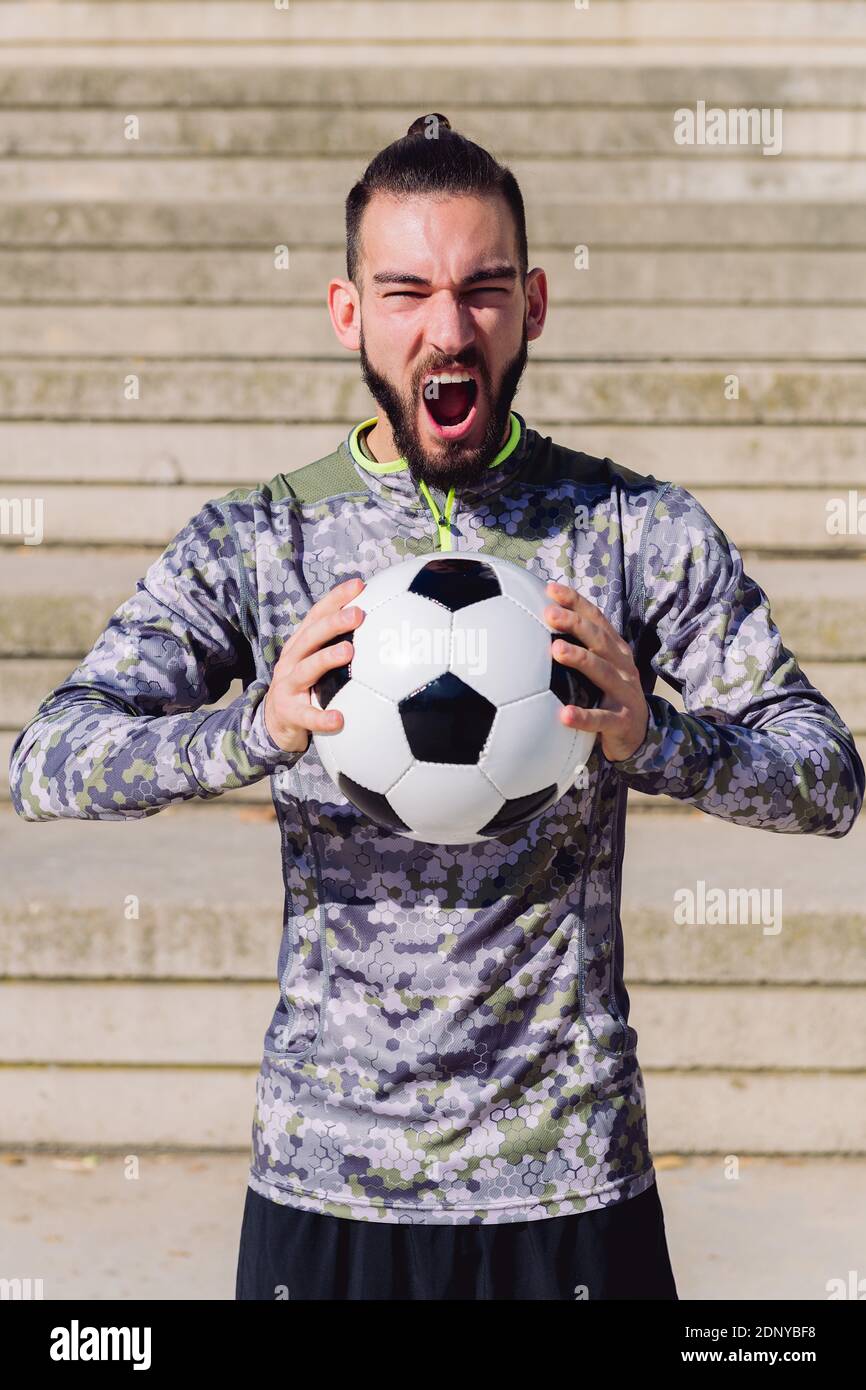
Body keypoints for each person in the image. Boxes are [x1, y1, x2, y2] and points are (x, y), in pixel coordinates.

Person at [9, 114, 863, 1302]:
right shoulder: (264, 539)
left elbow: (825, 778)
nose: (448, 327)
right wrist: (253, 729)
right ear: (347, 311)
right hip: (329, 1178)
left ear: (534, 305)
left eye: (483, 289)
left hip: (567, 1180)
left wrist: (651, 737)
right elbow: (46, 760)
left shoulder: (629, 529)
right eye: (405, 291)